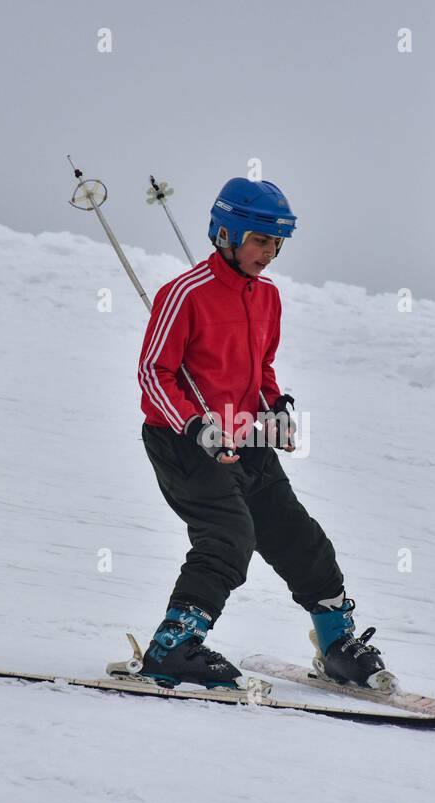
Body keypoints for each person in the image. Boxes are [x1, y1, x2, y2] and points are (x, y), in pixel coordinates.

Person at [136, 177, 388, 690]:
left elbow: (261, 368)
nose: (268, 253)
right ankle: (174, 645)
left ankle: (337, 644)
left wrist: (275, 407)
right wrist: (194, 424)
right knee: (229, 537)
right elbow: (153, 374)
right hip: (183, 441)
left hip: (244, 437)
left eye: (276, 243)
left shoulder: (268, 297)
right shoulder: (183, 294)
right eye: (259, 240)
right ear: (226, 233)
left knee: (300, 538)